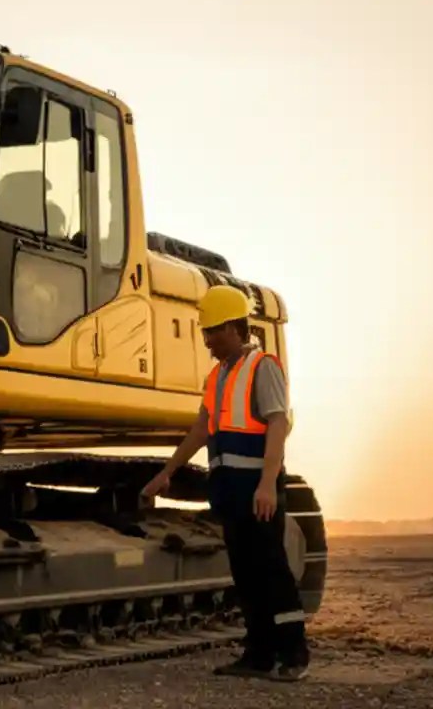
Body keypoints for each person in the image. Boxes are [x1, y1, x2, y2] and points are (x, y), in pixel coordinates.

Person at [141, 284, 310, 682]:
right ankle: (259, 654)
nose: (207, 342)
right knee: (246, 575)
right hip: (231, 490)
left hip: (257, 489)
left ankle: (294, 655)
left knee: (272, 572)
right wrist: (167, 472)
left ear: (235, 329)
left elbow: (277, 423)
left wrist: (268, 483)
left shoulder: (262, 366)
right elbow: (202, 429)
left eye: (211, 333)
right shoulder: (217, 376)